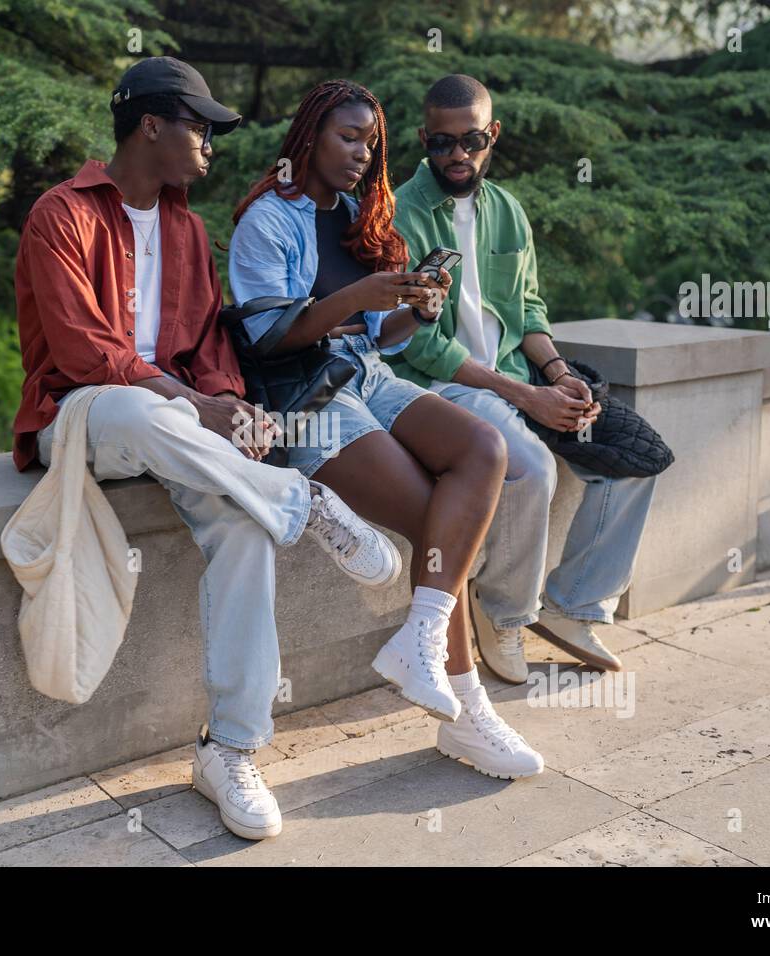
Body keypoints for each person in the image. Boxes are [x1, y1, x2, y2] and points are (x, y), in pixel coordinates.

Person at [12, 57, 405, 841]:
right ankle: (309, 502)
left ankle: (230, 748)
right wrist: (197, 407)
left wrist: (231, 406)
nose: (212, 144)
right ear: (151, 125)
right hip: (85, 416)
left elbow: (208, 344)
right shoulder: (62, 215)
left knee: (243, 525)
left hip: (184, 427)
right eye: (200, 126)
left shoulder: (189, 230)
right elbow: (86, 352)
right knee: (139, 409)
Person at [229, 79, 545, 782]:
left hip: (368, 376)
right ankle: (469, 716)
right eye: (348, 138)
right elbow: (266, 337)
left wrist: (418, 308)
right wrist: (355, 297)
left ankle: (423, 640)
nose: (363, 156)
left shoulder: (354, 217)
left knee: (483, 446)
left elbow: (386, 336)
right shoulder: (267, 218)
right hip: (306, 398)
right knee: (440, 519)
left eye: (372, 144)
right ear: (309, 135)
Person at [389, 74, 658, 683]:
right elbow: (421, 342)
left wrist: (560, 376)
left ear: (493, 134)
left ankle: (573, 605)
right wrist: (524, 395)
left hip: (520, 377)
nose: (458, 154)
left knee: (635, 454)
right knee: (529, 466)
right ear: (423, 138)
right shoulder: (400, 213)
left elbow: (528, 311)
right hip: (444, 386)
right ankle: (505, 614)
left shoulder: (507, 210)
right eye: (441, 142)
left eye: (472, 140)